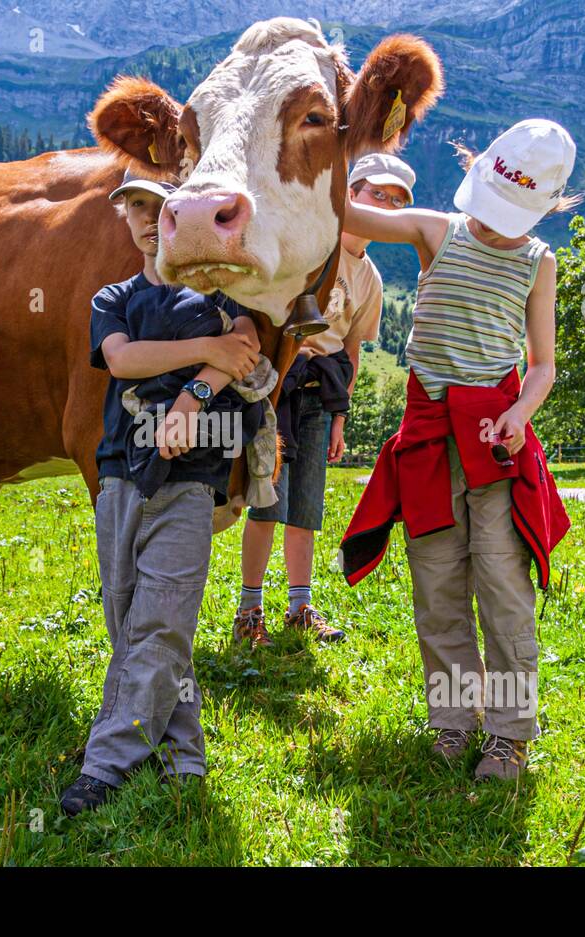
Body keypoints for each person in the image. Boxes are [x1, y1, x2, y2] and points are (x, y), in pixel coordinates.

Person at [339, 120, 578, 781]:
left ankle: (508, 735)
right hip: (428, 441)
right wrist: (327, 144)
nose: (501, 228)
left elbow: (543, 365)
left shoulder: (539, 262)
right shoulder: (433, 231)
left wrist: (521, 413)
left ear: (544, 207)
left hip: (495, 445)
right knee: (438, 584)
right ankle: (452, 720)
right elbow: (342, 210)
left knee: (503, 587)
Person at [60, 169, 262, 815]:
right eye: (136, 208)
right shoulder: (112, 298)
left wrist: (191, 396)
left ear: (184, 213)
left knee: (161, 620)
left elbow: (248, 350)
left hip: (192, 481)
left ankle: (105, 764)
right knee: (131, 622)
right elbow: (120, 359)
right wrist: (210, 353)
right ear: (123, 219)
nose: (148, 218)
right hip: (120, 471)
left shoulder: (222, 294)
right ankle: (183, 754)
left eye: (160, 205)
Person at [232, 154, 409, 650]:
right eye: (377, 194)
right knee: (268, 502)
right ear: (350, 193)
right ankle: (249, 609)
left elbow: (350, 352)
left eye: (396, 201)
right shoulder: (311, 249)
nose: (386, 205)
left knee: (306, 507)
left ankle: (298, 605)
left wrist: (339, 418)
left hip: (320, 396)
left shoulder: (369, 277)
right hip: (282, 389)